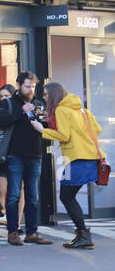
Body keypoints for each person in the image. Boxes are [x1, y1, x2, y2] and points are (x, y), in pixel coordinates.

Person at [35, 82, 102, 249]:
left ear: (54, 94)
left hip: (77, 159)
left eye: (45, 94)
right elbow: (97, 129)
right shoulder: (80, 109)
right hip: (90, 157)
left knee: (66, 197)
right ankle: (83, 235)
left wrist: (41, 130)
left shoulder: (61, 110)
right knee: (68, 196)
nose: (43, 97)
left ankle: (84, 235)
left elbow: (64, 135)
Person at [0, 71, 52, 246]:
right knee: (13, 194)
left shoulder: (38, 103)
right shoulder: (9, 103)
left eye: (33, 86)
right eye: (27, 86)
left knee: (33, 195)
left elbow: (46, 126)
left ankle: (32, 232)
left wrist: (44, 119)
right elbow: (1, 121)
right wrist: (21, 111)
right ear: (19, 85)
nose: (30, 89)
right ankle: (13, 231)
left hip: (35, 154)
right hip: (15, 155)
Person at [0, 84, 15, 232]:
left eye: (7, 96)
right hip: (2, 154)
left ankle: (16, 223)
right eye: (1, 96)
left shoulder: (18, 112)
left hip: (16, 153)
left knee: (19, 190)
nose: (4, 99)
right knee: (0, 189)